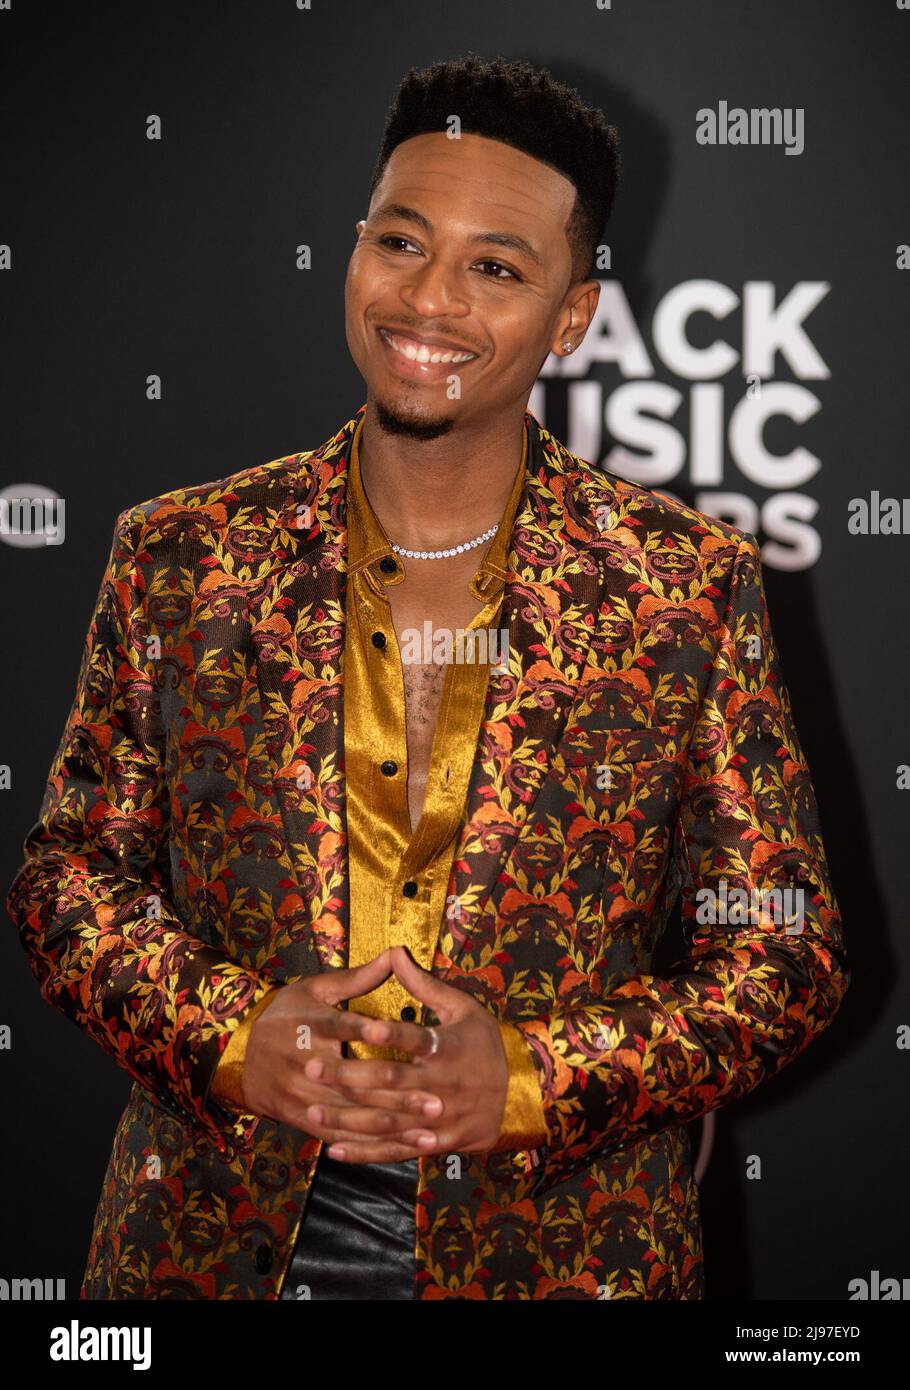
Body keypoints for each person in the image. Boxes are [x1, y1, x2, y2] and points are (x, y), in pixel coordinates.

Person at [6, 55, 849, 1301]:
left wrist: (525, 1077)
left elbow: (782, 950)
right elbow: (69, 875)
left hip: (559, 1250)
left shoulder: (687, 586)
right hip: (207, 1241)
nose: (430, 299)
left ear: (570, 319)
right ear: (353, 257)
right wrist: (234, 1040)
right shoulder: (180, 556)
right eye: (399, 241)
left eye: (496, 267)